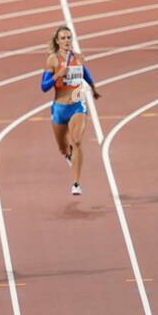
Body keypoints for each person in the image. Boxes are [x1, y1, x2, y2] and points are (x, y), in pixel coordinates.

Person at [41, 26, 101, 196]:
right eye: (63, 38)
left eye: (69, 37)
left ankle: (76, 183)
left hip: (77, 104)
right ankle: (68, 155)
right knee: (63, 148)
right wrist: (58, 74)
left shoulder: (79, 58)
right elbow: (43, 87)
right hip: (59, 108)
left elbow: (86, 75)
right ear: (57, 41)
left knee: (77, 140)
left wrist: (94, 89)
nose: (67, 40)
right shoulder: (52, 60)